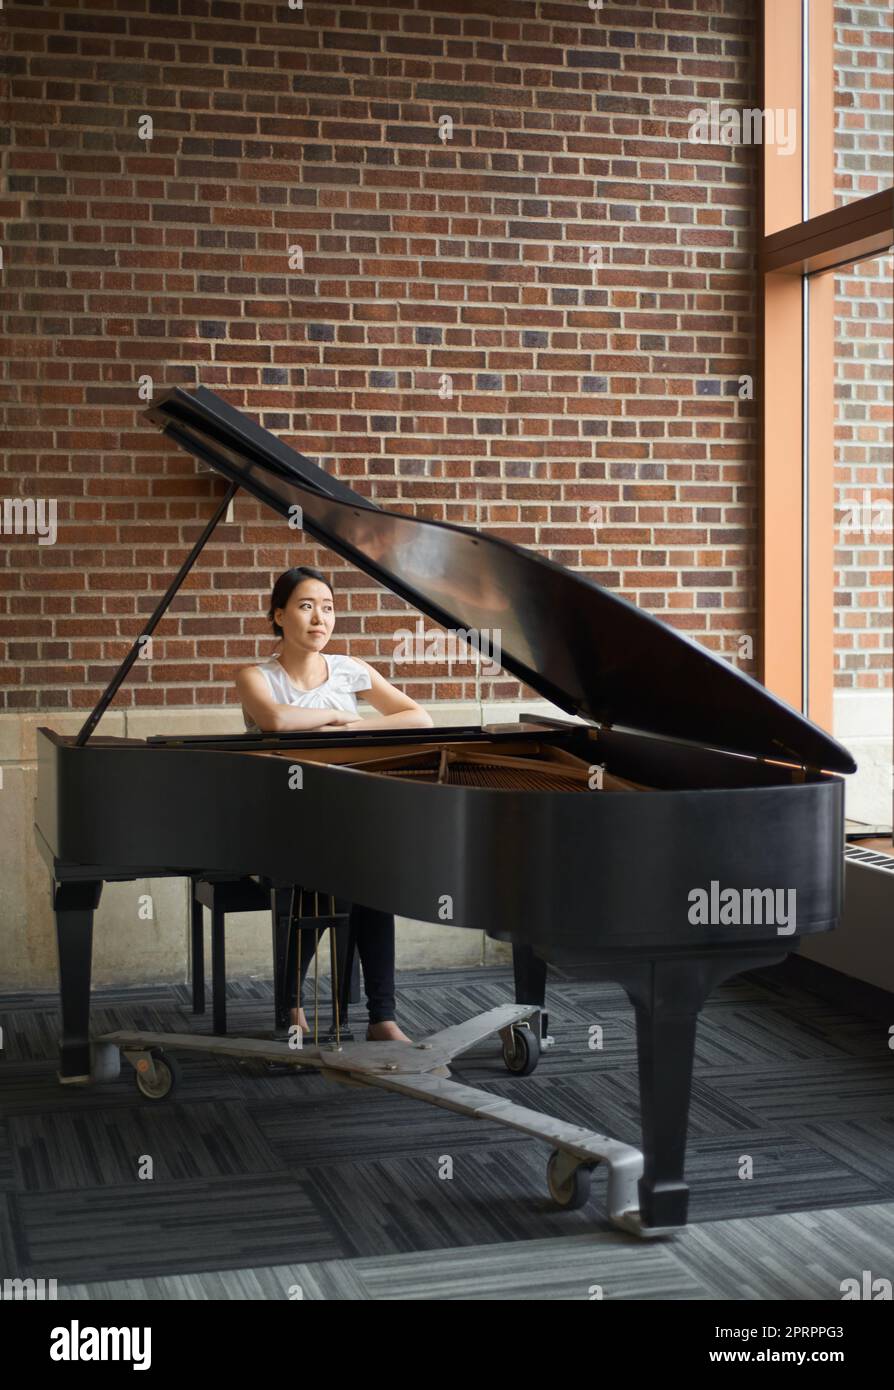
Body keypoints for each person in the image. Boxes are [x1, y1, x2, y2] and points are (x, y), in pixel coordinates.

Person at [236, 566, 433, 1043]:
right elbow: (277, 719)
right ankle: (294, 1003)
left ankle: (382, 1018)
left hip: (349, 813)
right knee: (348, 874)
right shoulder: (254, 676)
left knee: (371, 878)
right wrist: (338, 711)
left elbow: (419, 718)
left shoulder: (351, 669)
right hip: (284, 818)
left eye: (327, 607)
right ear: (278, 615)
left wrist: (351, 730)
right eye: (306, 606)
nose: (319, 618)